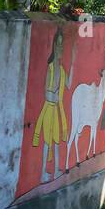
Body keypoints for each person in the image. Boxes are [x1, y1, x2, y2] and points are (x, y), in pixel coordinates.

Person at [32, 28, 71, 183]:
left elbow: (68, 84)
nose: (61, 49)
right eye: (59, 45)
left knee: (56, 142)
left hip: (57, 110)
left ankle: (55, 169)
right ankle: (43, 172)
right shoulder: (50, 68)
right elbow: (46, 92)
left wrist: (73, 63)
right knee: (47, 142)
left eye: (63, 45)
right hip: (49, 108)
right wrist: (53, 95)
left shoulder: (61, 71)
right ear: (54, 46)